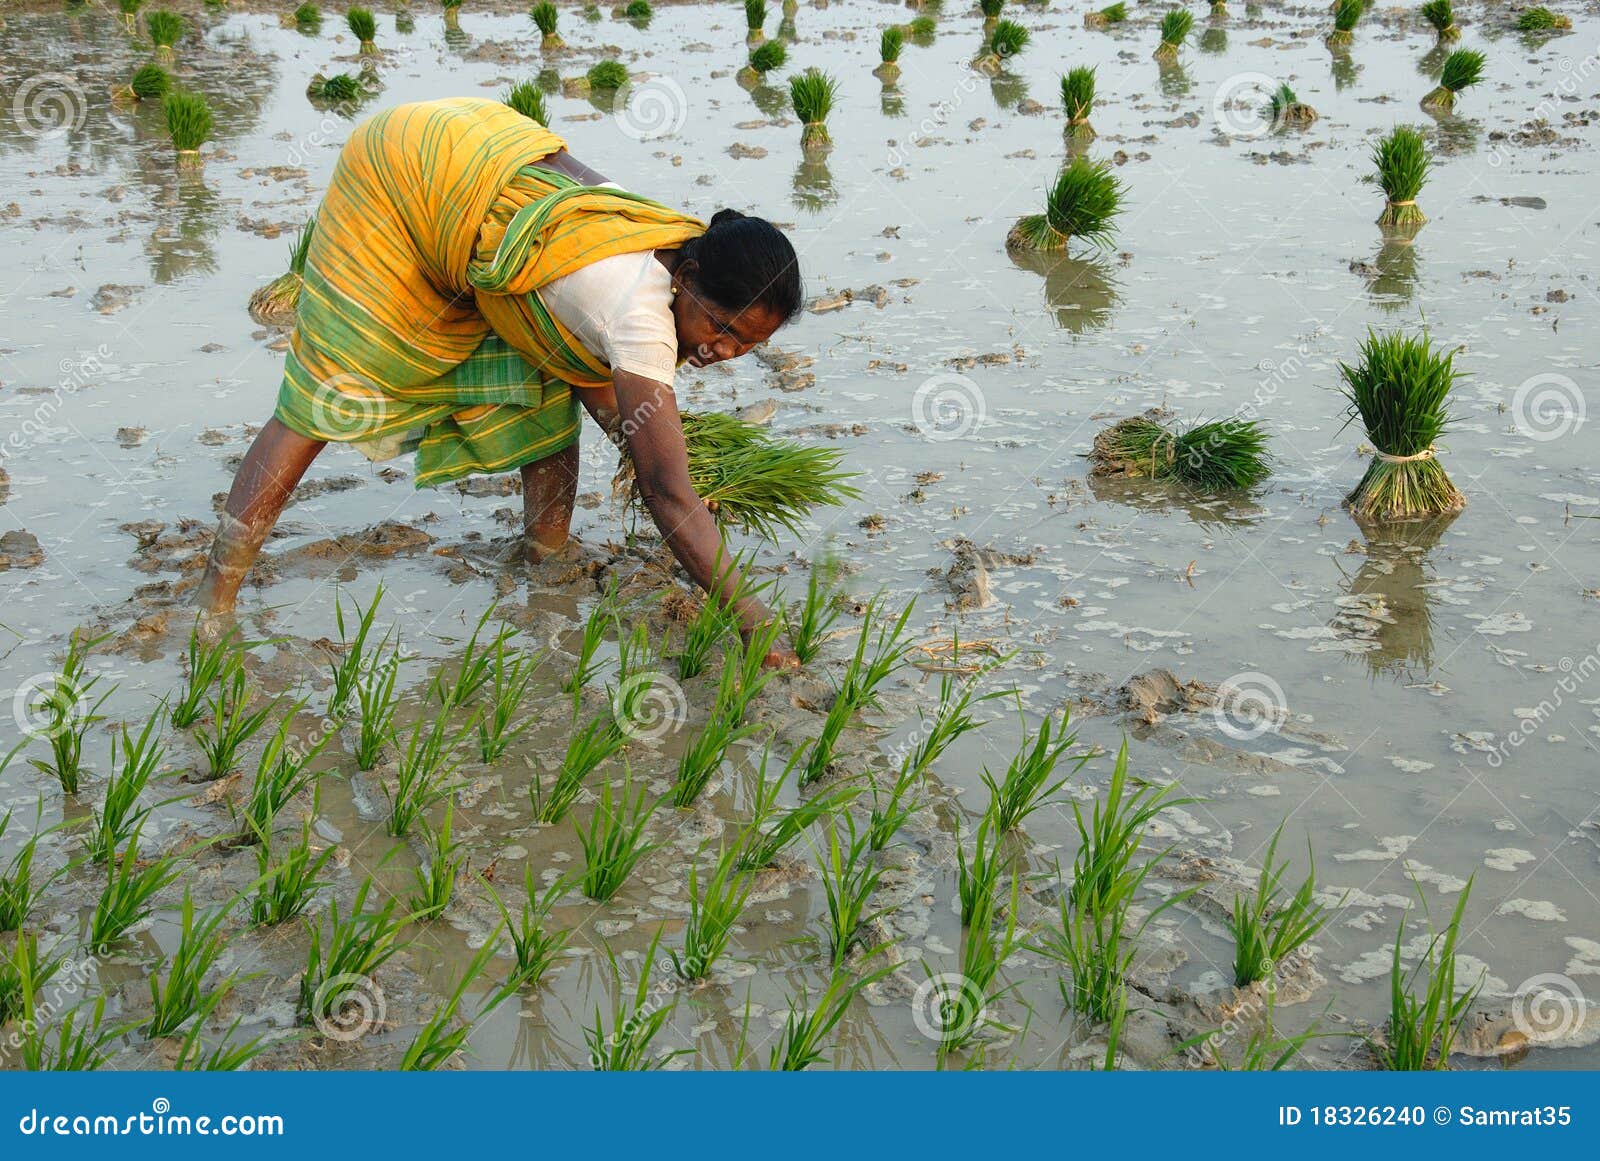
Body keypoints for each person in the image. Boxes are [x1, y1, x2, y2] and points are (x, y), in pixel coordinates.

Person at [195, 97, 803, 667]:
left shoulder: (671, 238)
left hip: (488, 145)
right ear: (688, 276)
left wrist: (656, 443)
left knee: (544, 366)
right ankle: (214, 600)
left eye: (751, 343)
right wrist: (751, 616)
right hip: (404, 172)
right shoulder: (636, 311)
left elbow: (593, 369)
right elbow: (665, 489)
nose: (727, 352)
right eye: (723, 329)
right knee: (330, 387)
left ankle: (544, 557)